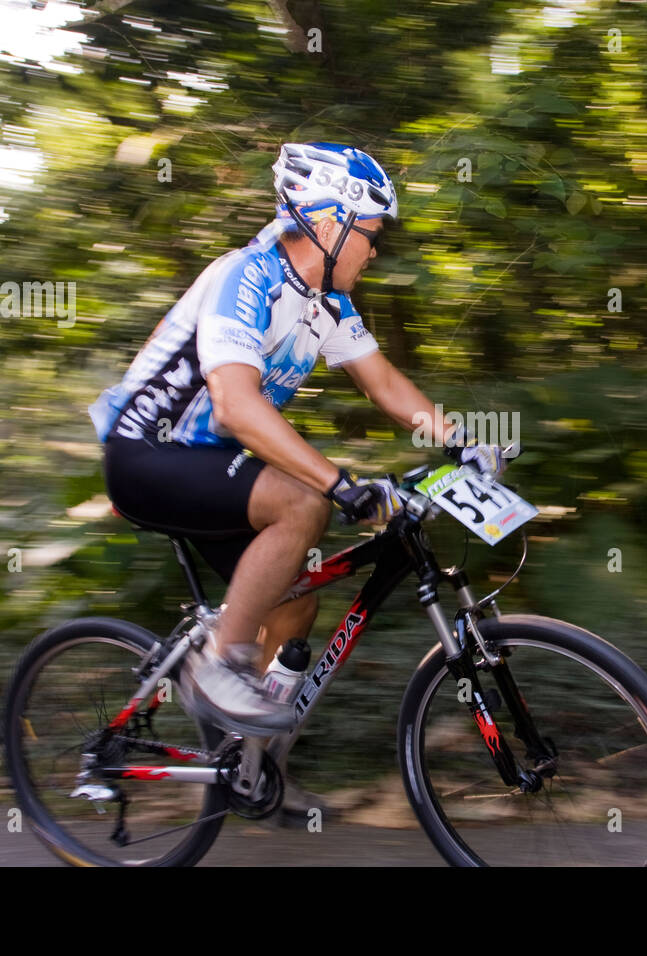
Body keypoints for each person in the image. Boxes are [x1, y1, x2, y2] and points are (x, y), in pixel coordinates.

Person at [87, 141, 506, 808]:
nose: (375, 252)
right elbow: (235, 402)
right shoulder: (245, 276)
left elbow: (384, 384)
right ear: (329, 223)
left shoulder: (325, 304)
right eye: (369, 235)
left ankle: (248, 774)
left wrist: (461, 443)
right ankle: (222, 667)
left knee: (299, 599)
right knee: (303, 504)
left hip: (212, 465)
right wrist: (338, 483)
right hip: (150, 455)